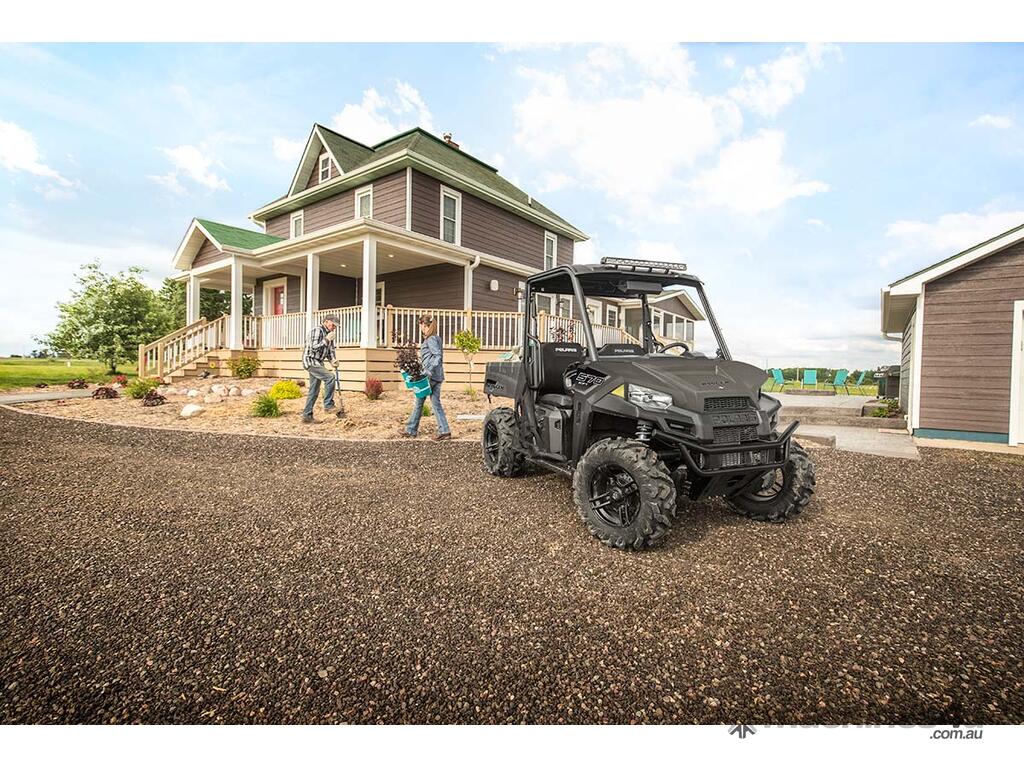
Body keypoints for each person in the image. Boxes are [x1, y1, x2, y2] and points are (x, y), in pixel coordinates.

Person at [401, 315, 451, 440]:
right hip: (437, 376)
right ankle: (444, 431)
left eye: (421, 325)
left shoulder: (431, 339)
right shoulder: (436, 338)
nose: (421, 328)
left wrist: (428, 370)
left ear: (425, 325)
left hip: (430, 377)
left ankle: (411, 430)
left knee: (419, 402)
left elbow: (437, 356)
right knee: (435, 403)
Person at [301, 315, 345, 424]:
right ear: (326, 321)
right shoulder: (317, 330)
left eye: (336, 326)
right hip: (311, 361)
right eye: (333, 324)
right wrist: (326, 340)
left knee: (314, 390)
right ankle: (328, 405)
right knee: (330, 378)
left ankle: (307, 416)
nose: (334, 327)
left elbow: (330, 350)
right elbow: (313, 347)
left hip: (318, 362)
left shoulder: (329, 334)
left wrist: (333, 360)